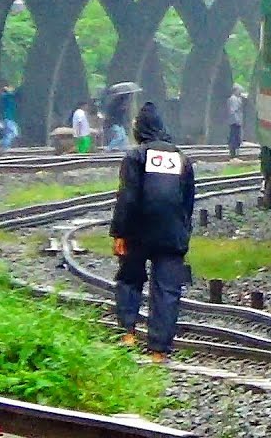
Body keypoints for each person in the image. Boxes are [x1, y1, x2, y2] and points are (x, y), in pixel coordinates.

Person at [108, 102, 195, 362]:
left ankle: (128, 333)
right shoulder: (181, 158)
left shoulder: (136, 157)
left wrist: (119, 233)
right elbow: (187, 200)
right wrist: (183, 233)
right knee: (167, 290)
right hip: (171, 234)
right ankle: (158, 350)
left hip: (139, 231)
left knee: (130, 278)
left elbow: (128, 197)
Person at [226, 85, 245, 158]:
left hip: (236, 121)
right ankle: (233, 153)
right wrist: (237, 121)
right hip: (235, 122)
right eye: (239, 91)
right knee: (234, 137)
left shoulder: (237, 99)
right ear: (235, 91)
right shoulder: (233, 99)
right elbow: (233, 111)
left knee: (236, 137)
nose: (240, 92)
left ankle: (235, 153)